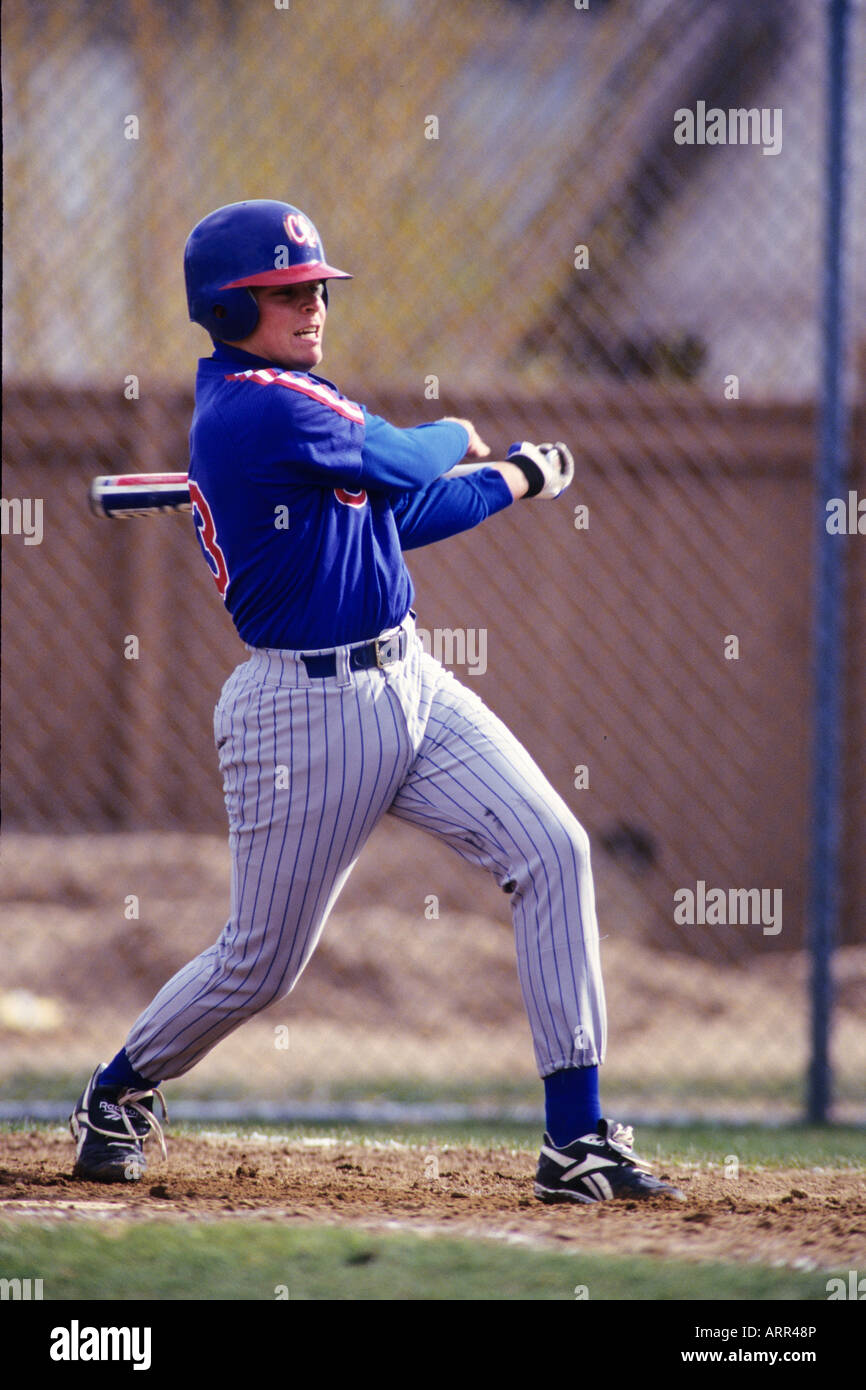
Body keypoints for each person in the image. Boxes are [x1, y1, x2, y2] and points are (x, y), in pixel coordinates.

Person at [70, 200, 683, 1205]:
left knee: (553, 851)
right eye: (287, 292)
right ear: (230, 308)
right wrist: (456, 430)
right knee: (260, 964)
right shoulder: (261, 407)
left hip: (411, 677)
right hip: (300, 715)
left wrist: (514, 480)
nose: (314, 306)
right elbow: (407, 458)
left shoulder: (298, 401)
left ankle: (574, 1139)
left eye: (316, 288)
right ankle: (115, 1090)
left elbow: (407, 509)